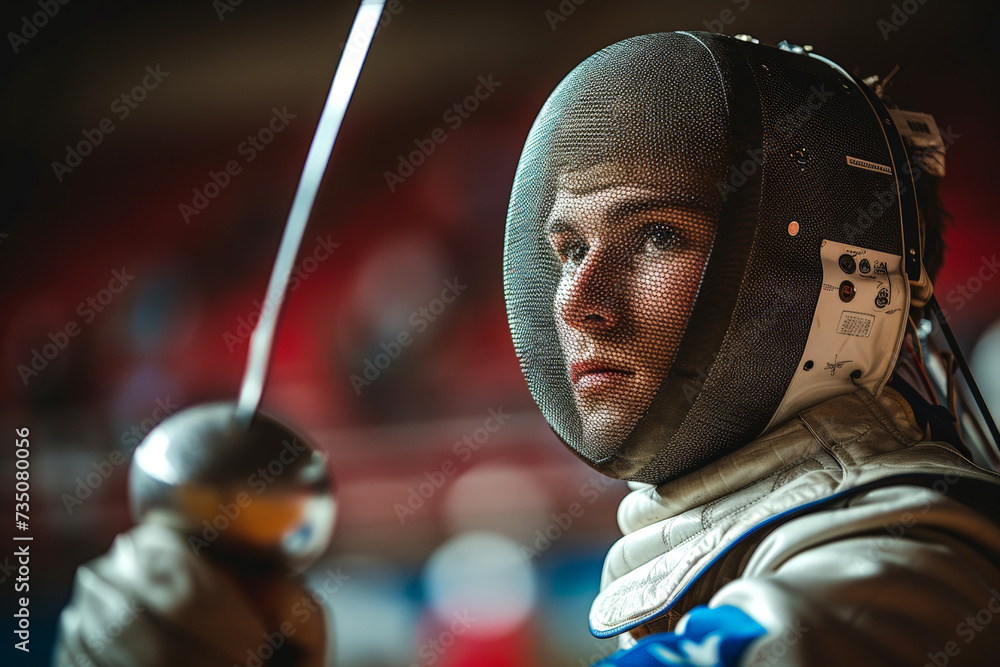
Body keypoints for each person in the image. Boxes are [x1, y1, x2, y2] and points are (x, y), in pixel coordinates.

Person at [503, 31, 1000, 665]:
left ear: (826, 283)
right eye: (572, 250)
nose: (577, 302)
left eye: (658, 236)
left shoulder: (906, 561)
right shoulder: (733, 535)